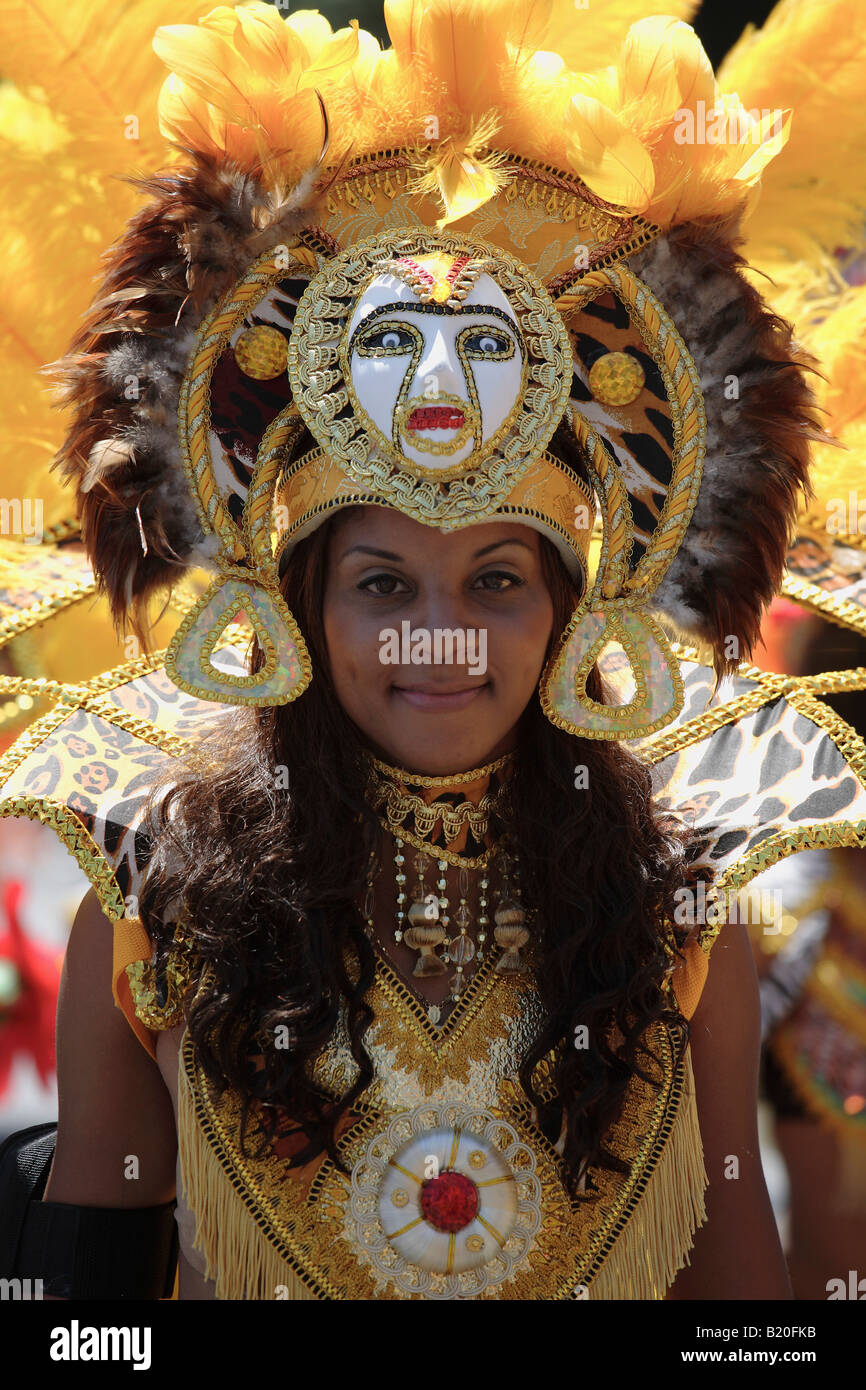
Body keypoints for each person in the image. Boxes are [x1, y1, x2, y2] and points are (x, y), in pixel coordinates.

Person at [3, 0, 866, 1301]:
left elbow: (737, 1317)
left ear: (572, 608)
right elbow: (78, 1331)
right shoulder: (148, 913)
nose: (438, 631)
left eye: (498, 579)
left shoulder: (687, 916)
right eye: (381, 580)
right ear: (298, 606)